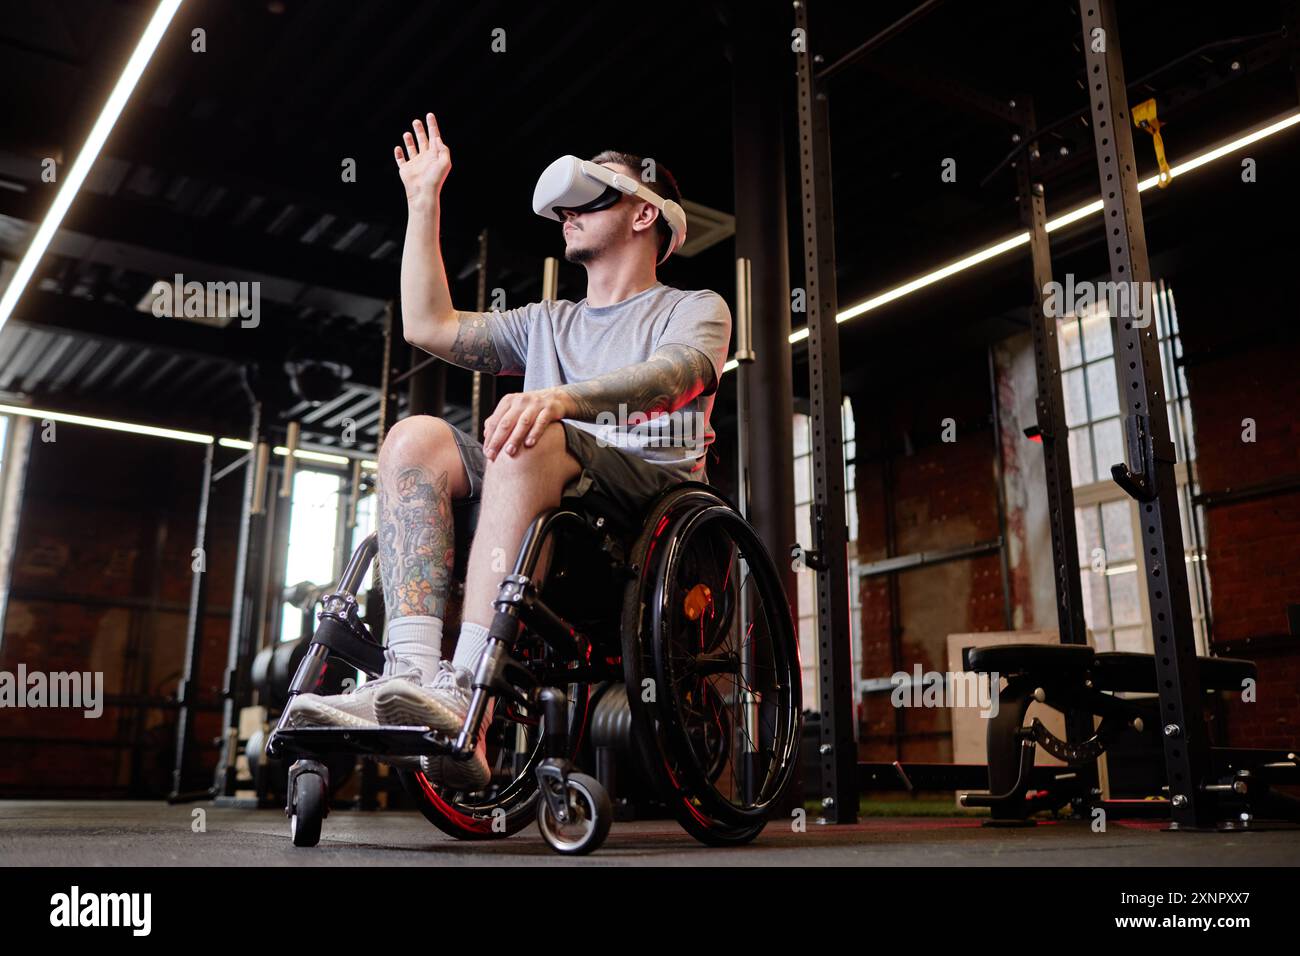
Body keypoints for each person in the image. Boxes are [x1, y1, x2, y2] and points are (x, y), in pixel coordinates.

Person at [285, 113, 731, 791]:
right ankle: (411, 673)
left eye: (589, 197)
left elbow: (681, 376)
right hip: (539, 478)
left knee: (529, 431)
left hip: (639, 505)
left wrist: (562, 400)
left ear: (643, 215)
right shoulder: (547, 321)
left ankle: (468, 692)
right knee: (415, 439)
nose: (566, 215)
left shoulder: (694, 307)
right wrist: (424, 198)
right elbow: (428, 325)